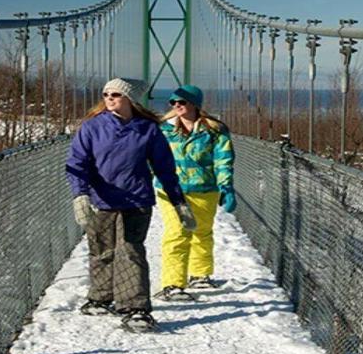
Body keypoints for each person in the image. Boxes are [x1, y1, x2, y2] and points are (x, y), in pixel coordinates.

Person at [66, 78, 196, 332]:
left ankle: (136, 308)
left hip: (136, 200)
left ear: (129, 99)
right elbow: (76, 163)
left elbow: (165, 168)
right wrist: (80, 195)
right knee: (101, 249)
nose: (109, 98)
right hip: (101, 200)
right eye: (105, 94)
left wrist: (178, 200)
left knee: (130, 251)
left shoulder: (147, 129)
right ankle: (100, 297)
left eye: (115, 94)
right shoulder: (92, 128)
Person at [153, 85, 236, 302]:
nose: (176, 106)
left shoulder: (215, 130)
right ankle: (172, 284)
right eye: (173, 102)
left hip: (205, 189)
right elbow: (151, 157)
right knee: (177, 233)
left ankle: (199, 274)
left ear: (195, 104)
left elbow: (223, 160)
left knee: (202, 231)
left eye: (182, 102)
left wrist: (226, 186)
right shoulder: (163, 129)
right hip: (171, 191)